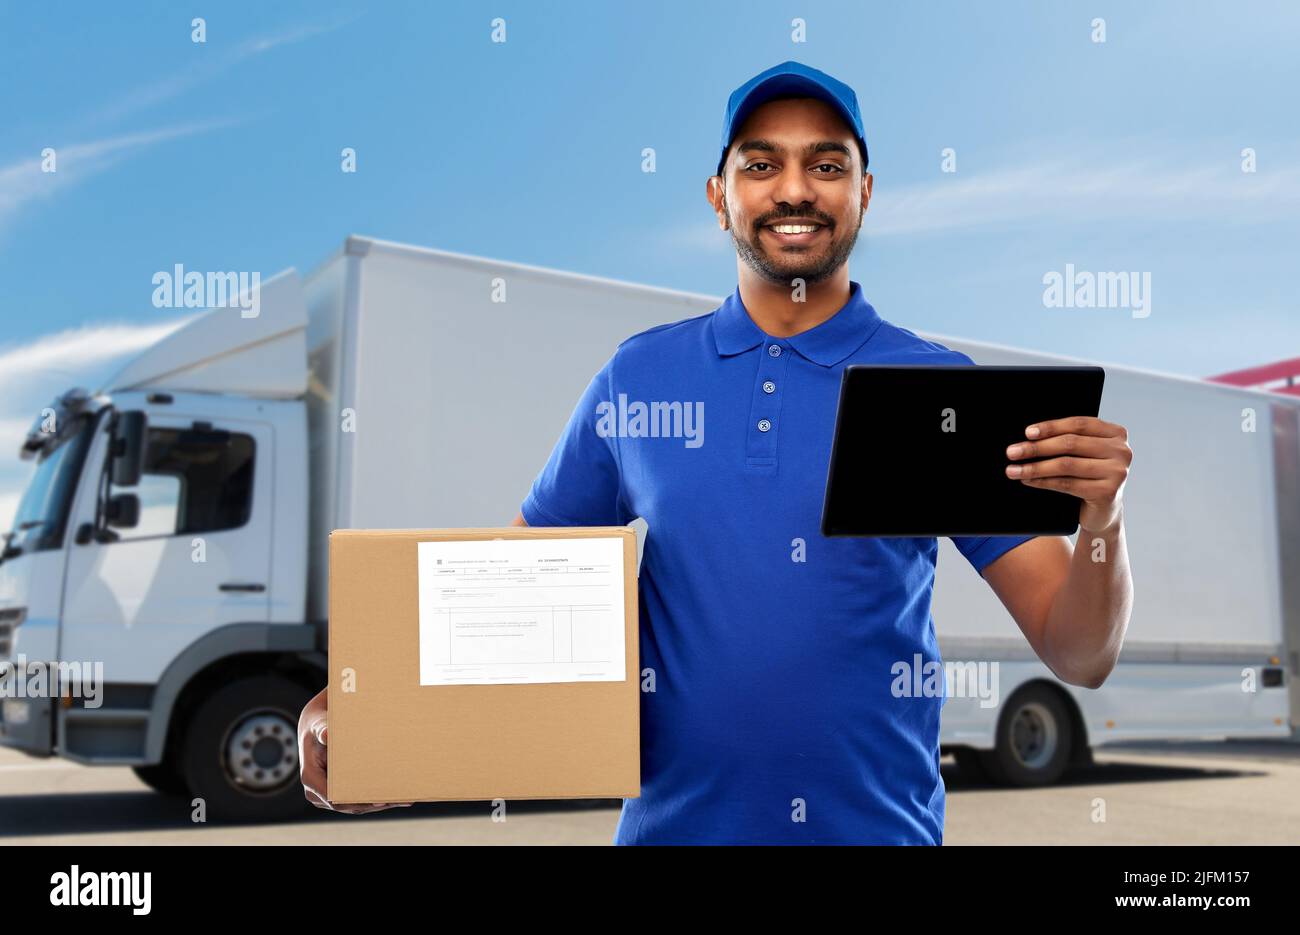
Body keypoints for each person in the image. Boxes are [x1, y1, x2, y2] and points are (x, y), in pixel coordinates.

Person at [300, 60, 1133, 843]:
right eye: (762, 164)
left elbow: (1078, 651)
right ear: (719, 193)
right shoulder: (638, 377)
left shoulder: (936, 389)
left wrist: (1103, 521)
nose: (795, 189)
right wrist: (365, 711)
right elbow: (505, 602)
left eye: (828, 165)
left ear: (866, 192)